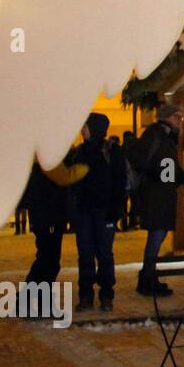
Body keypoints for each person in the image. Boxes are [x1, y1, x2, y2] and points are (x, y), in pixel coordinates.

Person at [126, 103, 184, 297]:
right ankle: (148, 279)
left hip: (161, 195)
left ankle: (148, 277)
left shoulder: (165, 138)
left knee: (158, 236)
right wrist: (162, 177)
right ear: (166, 118)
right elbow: (163, 168)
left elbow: (170, 170)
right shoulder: (157, 137)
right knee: (156, 237)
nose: (180, 121)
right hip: (156, 196)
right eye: (176, 117)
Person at [64, 113, 127, 312]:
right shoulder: (79, 152)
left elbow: (120, 181)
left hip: (104, 212)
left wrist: (117, 209)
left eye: (85, 126)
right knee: (85, 254)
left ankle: (106, 295)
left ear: (94, 127)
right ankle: (86, 295)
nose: (82, 129)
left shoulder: (111, 151)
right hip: (84, 212)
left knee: (104, 254)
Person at [21, 158, 86, 289]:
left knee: (46, 259)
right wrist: (85, 166)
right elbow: (65, 177)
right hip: (49, 217)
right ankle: (31, 298)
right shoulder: (47, 161)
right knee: (49, 261)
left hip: (47, 216)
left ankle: (35, 298)